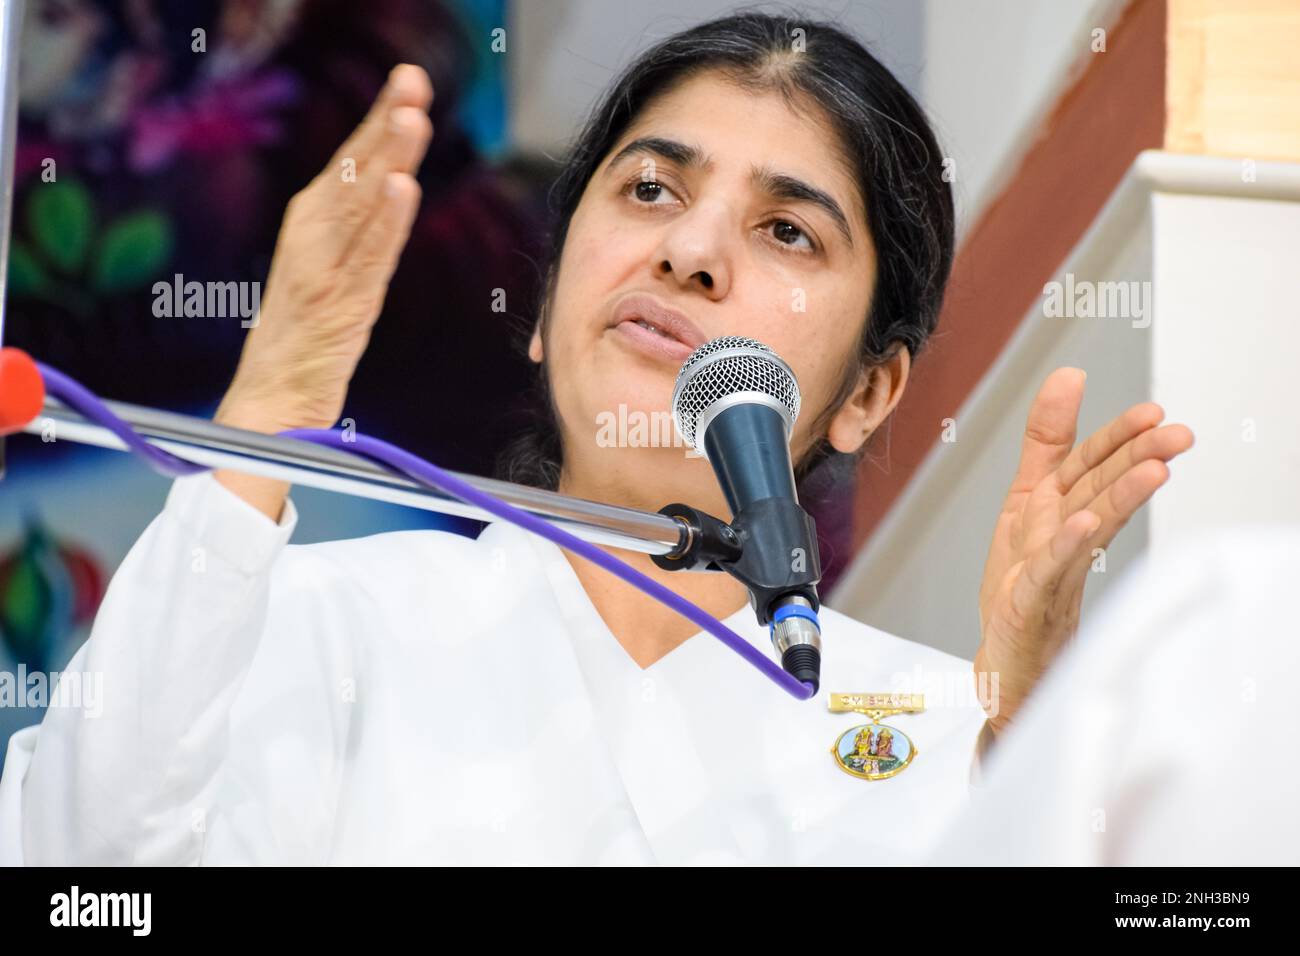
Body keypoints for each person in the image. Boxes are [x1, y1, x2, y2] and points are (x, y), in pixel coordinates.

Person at [0, 12, 1193, 865]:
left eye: (785, 230)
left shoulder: (951, 726)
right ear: (543, 304)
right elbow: (82, 865)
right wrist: (268, 406)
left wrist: (1037, 756)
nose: (687, 251)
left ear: (870, 393)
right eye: (649, 191)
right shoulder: (307, 617)